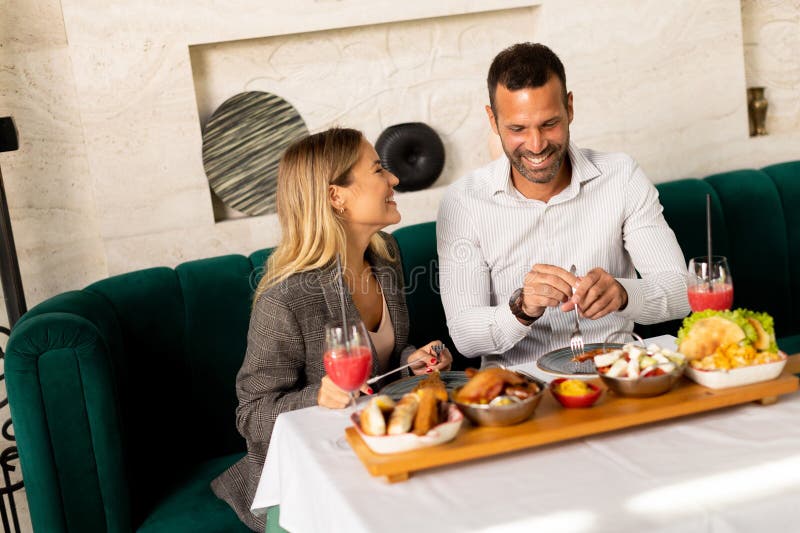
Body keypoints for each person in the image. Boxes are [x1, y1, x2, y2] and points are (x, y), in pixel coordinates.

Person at [212, 127, 452, 531]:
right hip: (311, 477)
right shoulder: (285, 298)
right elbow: (250, 414)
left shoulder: (386, 254)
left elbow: (382, 359)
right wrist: (316, 397)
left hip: (379, 447)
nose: (394, 179)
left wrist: (411, 360)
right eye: (378, 170)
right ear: (336, 196)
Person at [437, 42, 690, 367]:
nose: (536, 145)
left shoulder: (621, 175)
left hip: (615, 374)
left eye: (549, 124)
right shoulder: (463, 202)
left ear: (569, 108)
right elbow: (464, 336)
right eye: (517, 129)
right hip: (520, 392)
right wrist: (522, 307)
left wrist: (624, 294)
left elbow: (682, 291)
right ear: (492, 119)